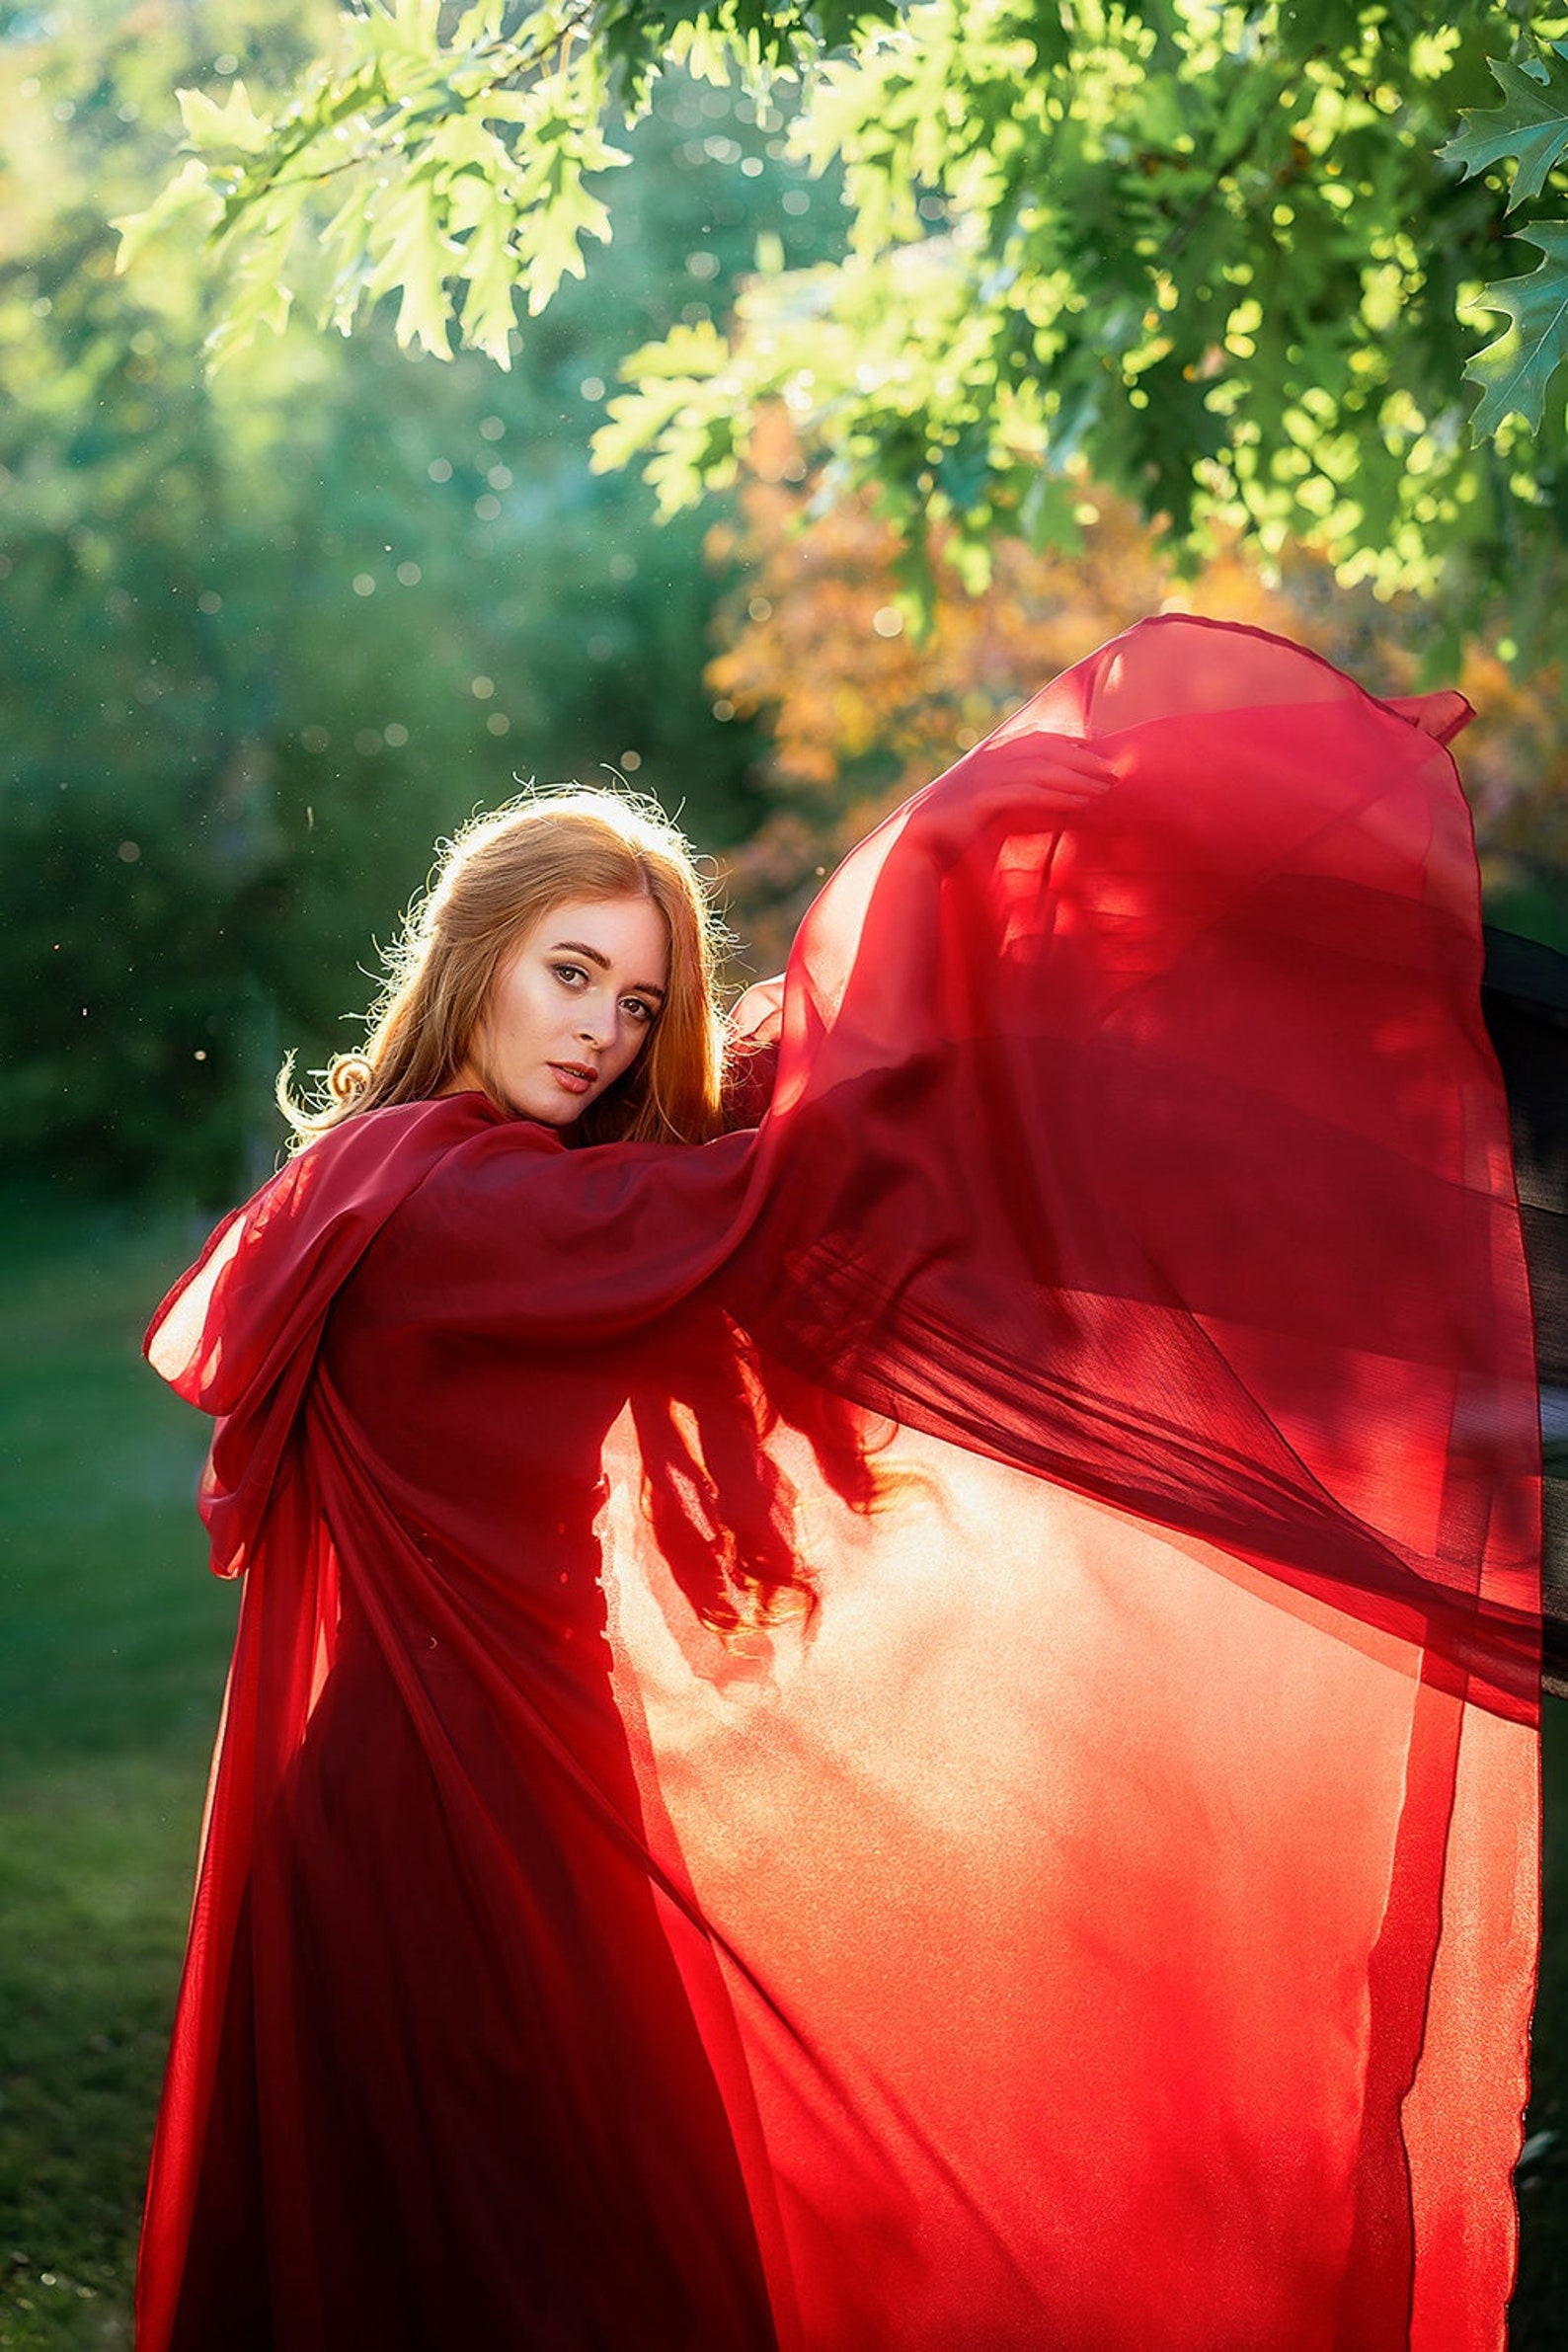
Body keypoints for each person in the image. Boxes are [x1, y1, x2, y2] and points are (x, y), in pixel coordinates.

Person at [138, 614, 1543, 2352]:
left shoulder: (431, 1176)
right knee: (560, 2267)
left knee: (592, 2262)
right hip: (433, 1821)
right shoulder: (447, 1208)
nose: (600, 1034)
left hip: (484, 1790)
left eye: (634, 1001)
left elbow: (756, 1122)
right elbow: (778, 1195)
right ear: (473, 955)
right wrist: (966, 869)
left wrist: (1053, 947)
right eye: (568, 973)